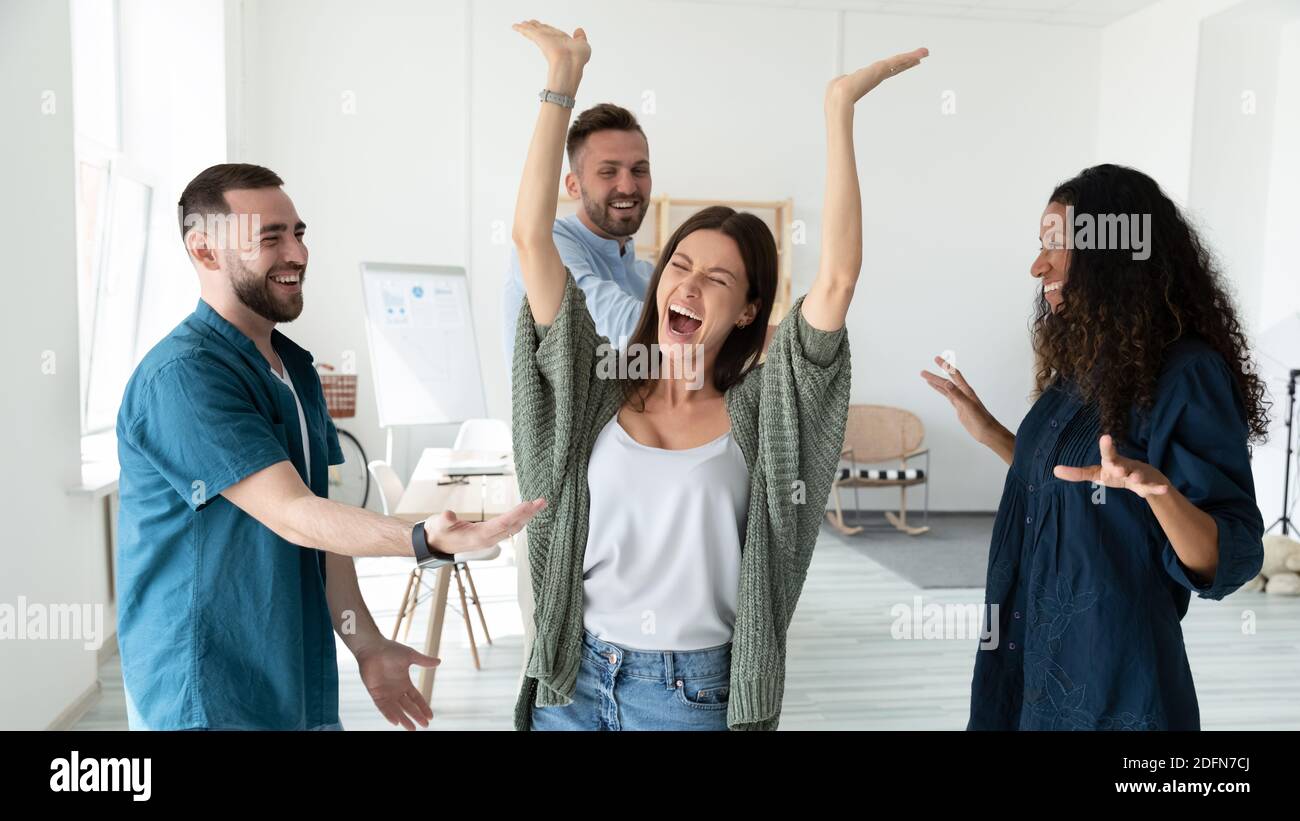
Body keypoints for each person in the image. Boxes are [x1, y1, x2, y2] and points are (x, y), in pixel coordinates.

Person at [508, 19, 926, 730]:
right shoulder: (594, 387)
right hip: (576, 680)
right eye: (679, 266)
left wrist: (839, 110)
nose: (689, 287)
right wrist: (561, 84)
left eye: (718, 278)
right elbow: (529, 238)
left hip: (691, 694)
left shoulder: (766, 409)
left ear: (748, 310)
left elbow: (840, 277)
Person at [116, 163, 544, 730]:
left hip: (293, 680)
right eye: (271, 238)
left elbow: (323, 530)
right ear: (206, 252)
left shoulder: (295, 366)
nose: (297, 253)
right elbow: (293, 516)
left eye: (298, 233)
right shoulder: (184, 378)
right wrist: (419, 538)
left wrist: (366, 644)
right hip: (209, 693)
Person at [920, 164, 1267, 730]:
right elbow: (1070, 487)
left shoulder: (1187, 374)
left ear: (1117, 252)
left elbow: (1231, 558)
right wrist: (993, 434)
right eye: (1041, 245)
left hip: (1111, 684)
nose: (1038, 266)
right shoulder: (1085, 368)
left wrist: (1157, 492)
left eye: (1057, 245)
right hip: (1025, 656)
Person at [501, 101, 653, 361]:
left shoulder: (650, 278)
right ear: (573, 186)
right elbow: (605, 323)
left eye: (639, 170)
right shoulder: (549, 246)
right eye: (608, 172)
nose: (628, 186)